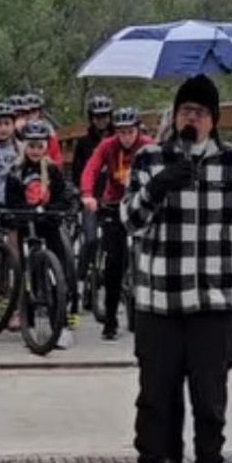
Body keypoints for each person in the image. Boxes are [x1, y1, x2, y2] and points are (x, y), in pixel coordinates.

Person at [123, 75, 232, 463]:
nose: (192, 118)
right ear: (174, 116)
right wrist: (160, 185)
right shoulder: (150, 159)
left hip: (212, 296)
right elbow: (131, 220)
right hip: (160, 297)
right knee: (154, 394)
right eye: (185, 110)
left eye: (201, 112)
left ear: (214, 120)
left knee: (210, 395)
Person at [3, 117, 77, 349]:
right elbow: (12, 201)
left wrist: (51, 210)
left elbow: (63, 197)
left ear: (45, 147)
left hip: (49, 224)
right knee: (28, 274)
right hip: (27, 226)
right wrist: (26, 213)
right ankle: (31, 323)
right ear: (24, 146)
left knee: (59, 274)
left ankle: (61, 324)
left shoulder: (53, 170)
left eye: (39, 146)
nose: (35, 150)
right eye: (31, 146)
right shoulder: (15, 172)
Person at [80, 106, 151, 341]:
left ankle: (145, 314)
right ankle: (110, 318)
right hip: (114, 203)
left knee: (148, 259)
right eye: (121, 132)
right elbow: (91, 167)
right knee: (114, 261)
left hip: (141, 204)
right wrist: (88, 194)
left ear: (137, 130)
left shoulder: (148, 146)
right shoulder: (108, 145)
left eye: (130, 131)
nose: (126, 137)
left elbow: (162, 171)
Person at [72, 94, 114, 312]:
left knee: (112, 242)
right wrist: (83, 194)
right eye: (97, 117)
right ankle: (81, 280)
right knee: (89, 240)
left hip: (112, 198)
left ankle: (108, 283)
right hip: (91, 198)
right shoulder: (84, 143)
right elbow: (79, 172)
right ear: (91, 118)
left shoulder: (118, 140)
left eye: (105, 116)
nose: (101, 121)